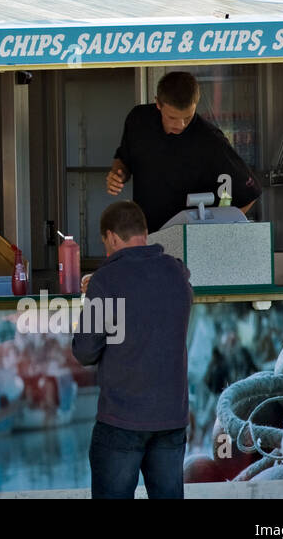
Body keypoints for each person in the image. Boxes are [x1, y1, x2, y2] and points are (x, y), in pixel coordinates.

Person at [73, 200, 194, 499]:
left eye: (105, 243)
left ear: (113, 237)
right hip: (171, 418)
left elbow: (85, 351)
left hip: (122, 419)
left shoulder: (106, 279)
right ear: (145, 232)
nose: (105, 251)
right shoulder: (177, 273)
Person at [105, 71, 261, 232]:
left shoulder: (210, 140)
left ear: (196, 105)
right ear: (158, 104)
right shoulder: (139, 119)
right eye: (172, 117)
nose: (180, 125)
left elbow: (250, 193)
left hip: (189, 241)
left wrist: (215, 231)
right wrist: (119, 174)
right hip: (146, 235)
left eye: (187, 117)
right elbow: (124, 158)